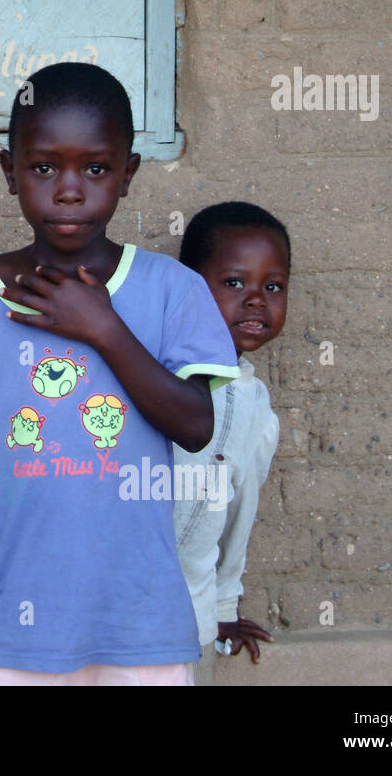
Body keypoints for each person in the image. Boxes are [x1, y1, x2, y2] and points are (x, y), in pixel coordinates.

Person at [0, 62, 240, 685]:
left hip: (135, 618)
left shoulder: (173, 290)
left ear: (128, 175)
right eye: (42, 167)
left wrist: (104, 328)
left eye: (95, 168)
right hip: (4, 610)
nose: (69, 189)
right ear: (9, 173)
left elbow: (196, 426)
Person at [173, 202, 290, 685]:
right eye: (235, 283)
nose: (257, 300)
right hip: (112, 607)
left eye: (274, 286)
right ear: (188, 287)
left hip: (192, 619)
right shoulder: (152, 378)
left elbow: (240, 507)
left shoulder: (257, 408)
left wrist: (223, 604)